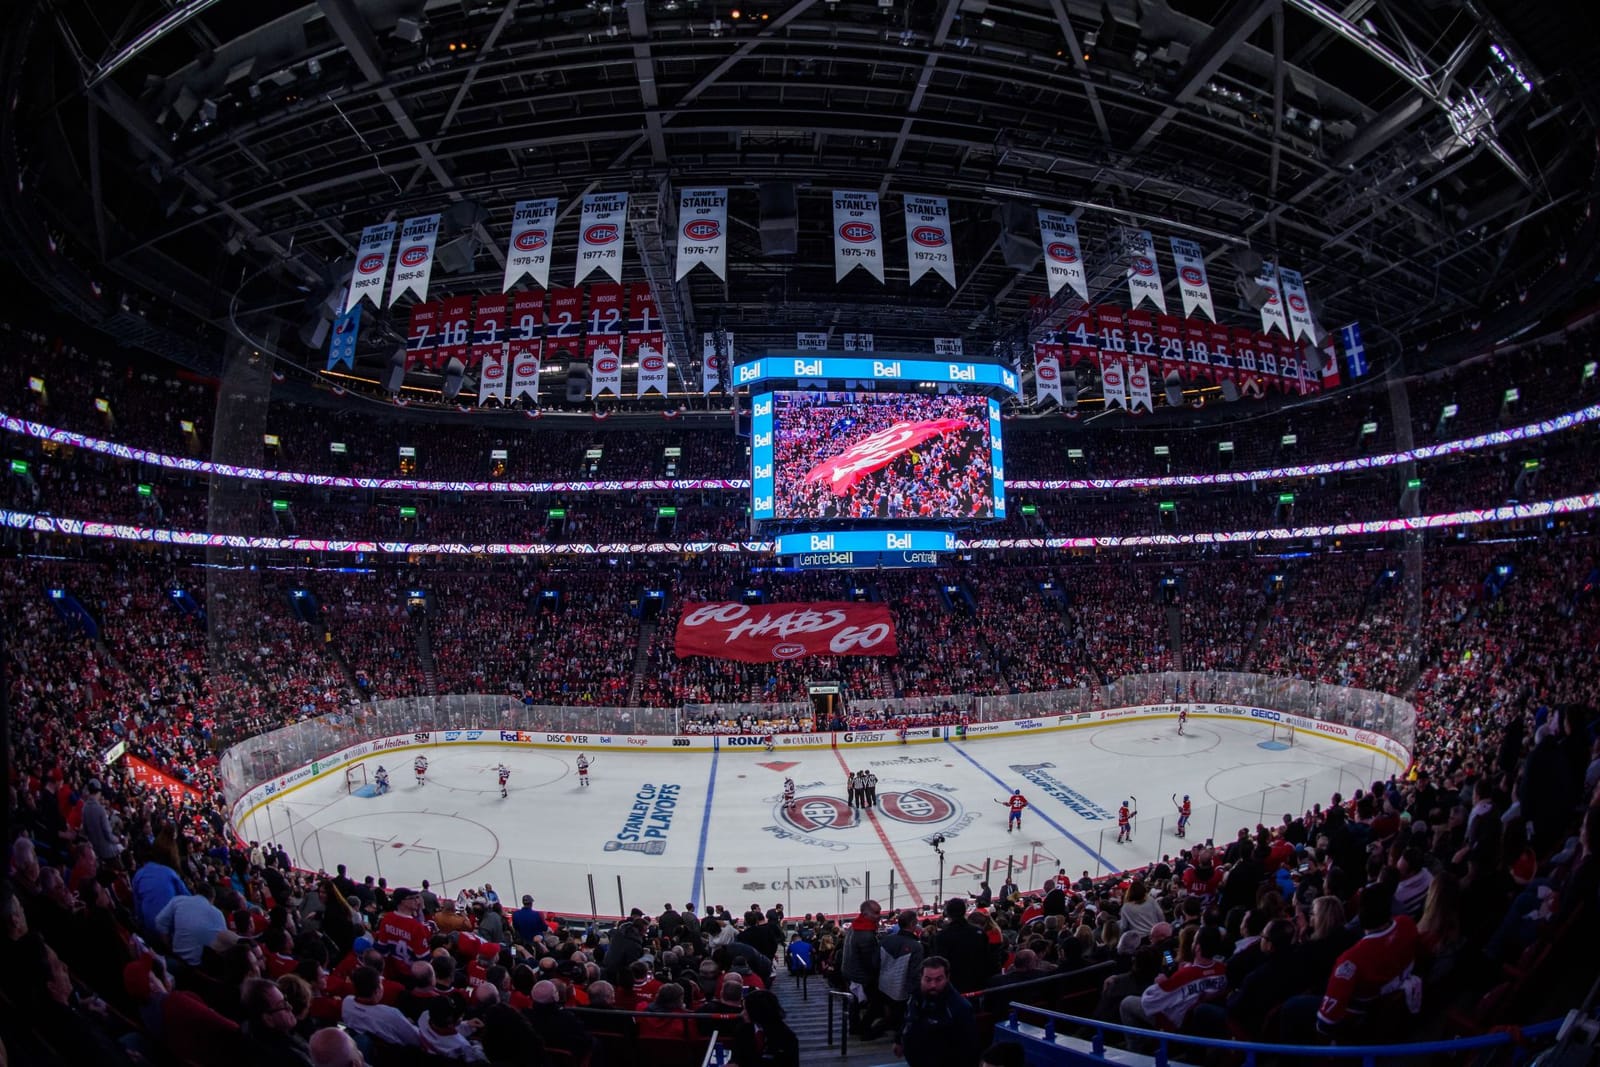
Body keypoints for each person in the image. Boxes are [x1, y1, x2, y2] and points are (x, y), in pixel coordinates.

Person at [895, 956, 978, 1067]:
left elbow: (969, 1049)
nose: (933, 985)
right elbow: (908, 1017)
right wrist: (899, 1040)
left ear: (947, 978)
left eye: (938, 980)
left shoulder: (960, 1007)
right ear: (921, 977)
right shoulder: (916, 995)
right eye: (928, 979)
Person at [727, 988, 799, 1067]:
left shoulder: (787, 1038)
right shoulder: (743, 1028)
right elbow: (736, 1055)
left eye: (746, 1009)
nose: (742, 1013)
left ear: (758, 1012)